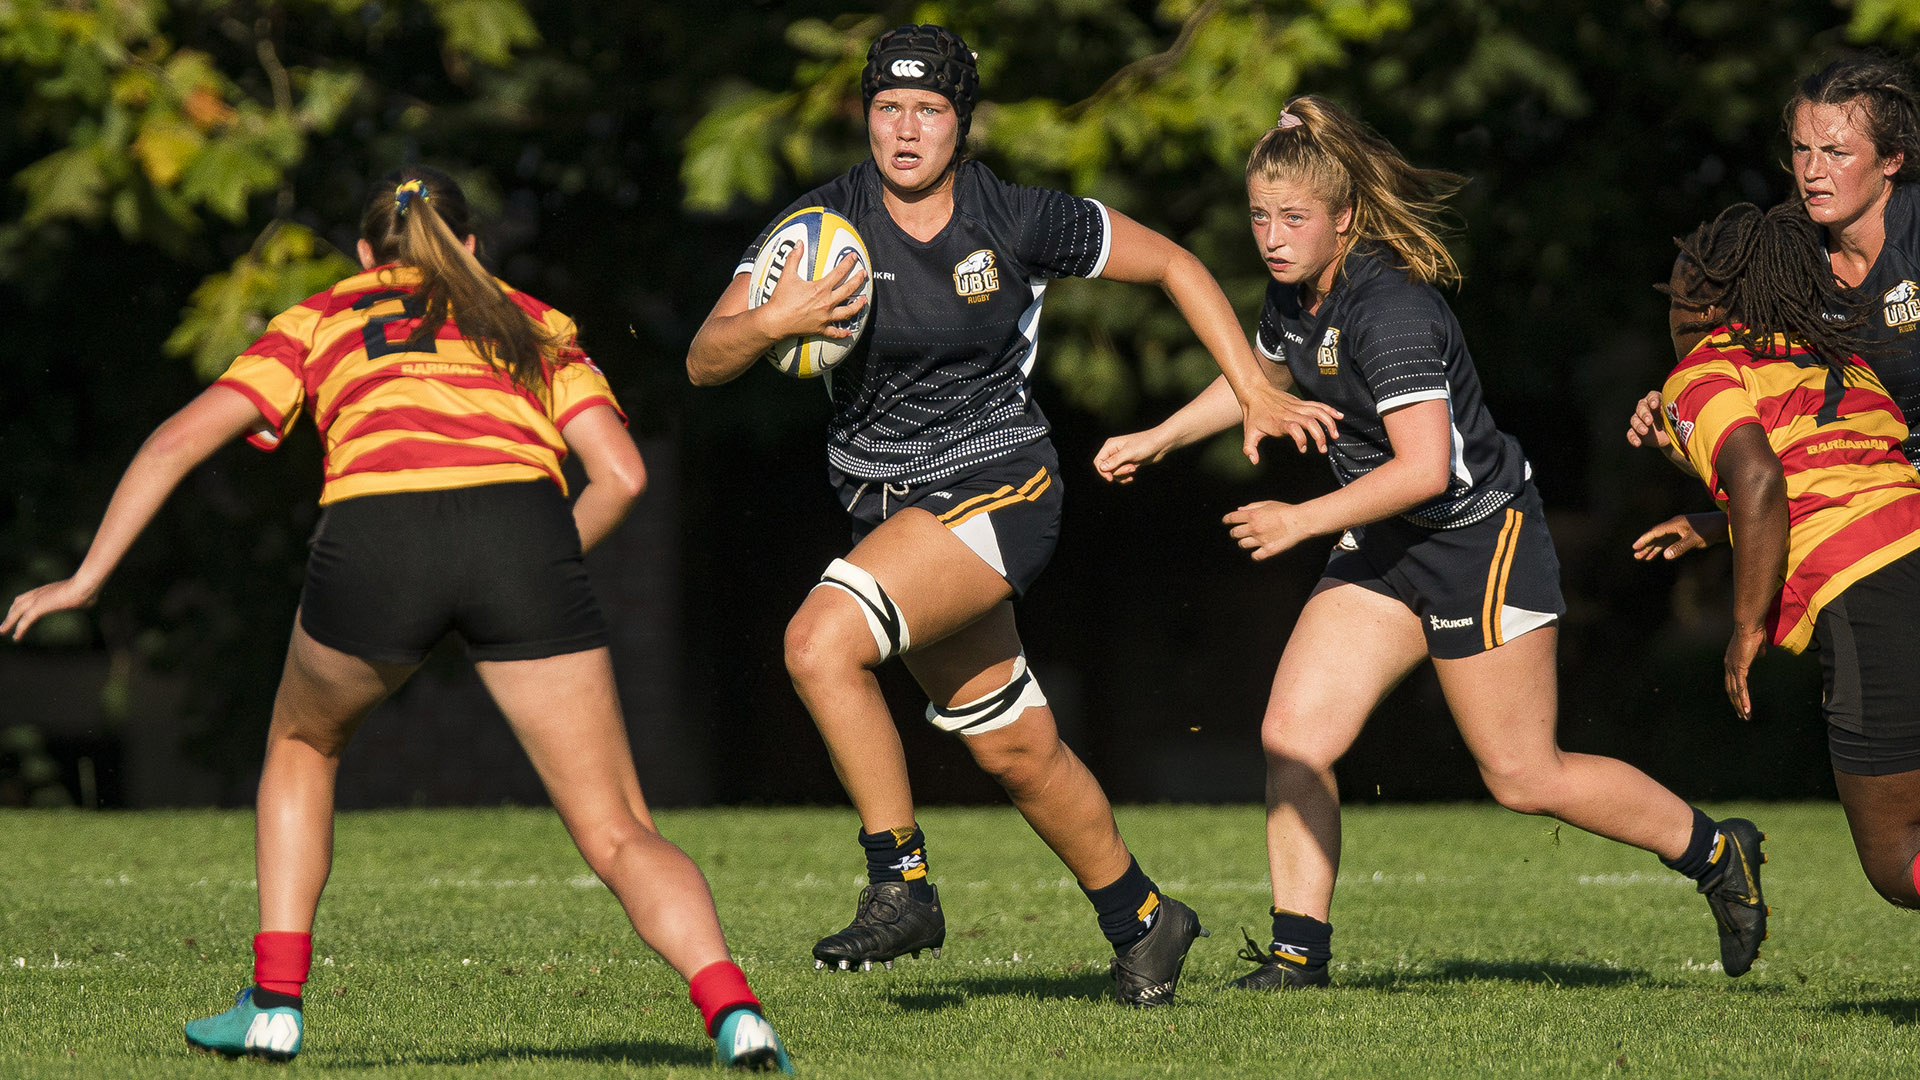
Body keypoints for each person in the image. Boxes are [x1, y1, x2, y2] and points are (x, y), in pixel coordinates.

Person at [2, 168, 793, 1072]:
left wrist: (86, 578)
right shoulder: (532, 319)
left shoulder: (319, 317)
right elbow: (623, 476)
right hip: (520, 529)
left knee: (303, 747)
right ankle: (735, 1013)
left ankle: (274, 1004)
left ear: (368, 252)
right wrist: (531, 563)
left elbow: (179, 438)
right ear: (473, 246)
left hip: (377, 532)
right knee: (618, 828)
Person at [685, 24, 1338, 1008]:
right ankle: (1146, 920)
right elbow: (703, 357)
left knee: (819, 643)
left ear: (963, 122)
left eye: (930, 111)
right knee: (1015, 747)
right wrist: (770, 322)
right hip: (890, 512)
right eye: (888, 108)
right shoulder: (821, 227)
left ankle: (900, 883)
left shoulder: (1016, 217)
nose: (906, 130)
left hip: (1001, 487)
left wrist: (1251, 385)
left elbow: (1174, 266)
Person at [1095, 96, 1768, 990]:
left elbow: (1423, 471)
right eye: (1259, 215)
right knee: (1294, 734)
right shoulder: (1297, 290)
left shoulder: (1391, 310)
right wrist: (1158, 438)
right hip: (1384, 542)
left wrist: (1299, 520)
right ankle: (1299, 956)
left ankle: (1718, 849)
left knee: (1525, 776)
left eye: (1293, 217)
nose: (1271, 235)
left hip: (1475, 541)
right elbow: (1260, 376)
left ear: (1343, 218)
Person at [1636, 200, 1920, 914]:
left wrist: (1745, 627)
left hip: (1868, 586)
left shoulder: (1701, 373)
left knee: (1898, 858)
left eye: (1674, 294)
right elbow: (1830, 474)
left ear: (1700, 303)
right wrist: (1715, 519)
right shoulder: (1835, 354)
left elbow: (1761, 480)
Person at [1629, 52, 1920, 542]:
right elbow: (1791, 447)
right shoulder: (1782, 269)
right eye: (1802, 149)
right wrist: (1682, 434)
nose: (1812, 170)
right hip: (1875, 531)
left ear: (1892, 159)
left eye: (1836, 152)